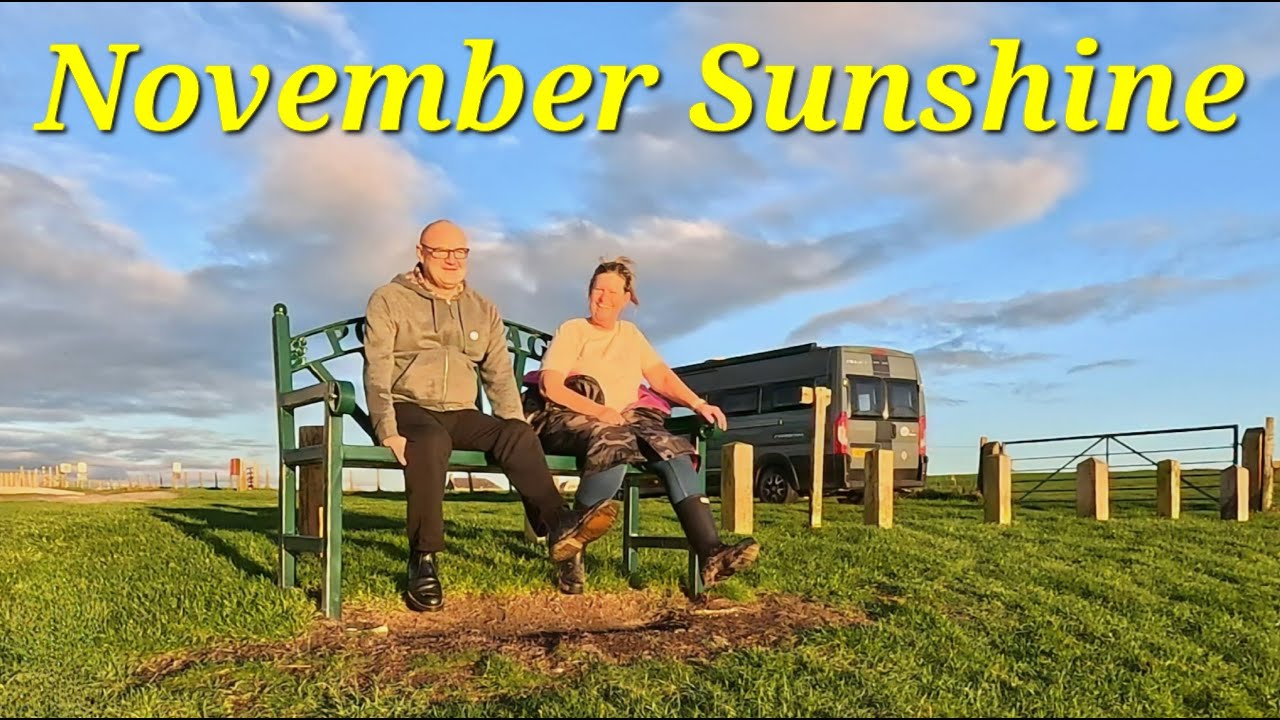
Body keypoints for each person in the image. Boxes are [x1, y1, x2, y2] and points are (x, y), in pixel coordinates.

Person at [362, 220, 619, 612]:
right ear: (421, 253)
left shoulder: (482, 309)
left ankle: (560, 525)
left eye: (460, 252)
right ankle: (424, 559)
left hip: (462, 412)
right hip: (409, 406)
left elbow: (499, 377)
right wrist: (387, 430)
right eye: (442, 252)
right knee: (431, 443)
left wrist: (517, 426)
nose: (452, 260)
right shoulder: (389, 299)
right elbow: (377, 368)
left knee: (515, 433)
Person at [526, 256, 760, 595]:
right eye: (597, 289)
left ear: (627, 298)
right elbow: (551, 386)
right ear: (589, 293)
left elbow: (661, 376)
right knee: (614, 439)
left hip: (622, 420)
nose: (603, 298)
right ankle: (569, 558)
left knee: (671, 448)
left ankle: (712, 553)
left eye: (612, 292)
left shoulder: (631, 335)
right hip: (567, 416)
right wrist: (599, 410)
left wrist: (697, 403)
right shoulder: (573, 330)